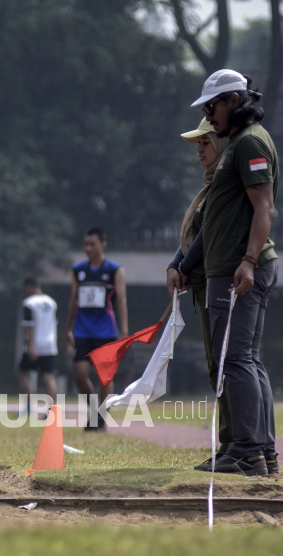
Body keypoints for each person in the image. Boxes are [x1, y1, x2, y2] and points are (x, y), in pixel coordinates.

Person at [190, 70, 279, 476]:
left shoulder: (250, 142)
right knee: (246, 360)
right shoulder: (238, 144)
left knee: (236, 361)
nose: (209, 116)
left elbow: (265, 207)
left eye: (212, 107)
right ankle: (258, 450)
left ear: (234, 100)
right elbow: (217, 218)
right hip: (230, 267)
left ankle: (246, 452)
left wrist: (247, 260)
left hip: (239, 269)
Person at [166, 118, 231, 469]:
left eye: (205, 143)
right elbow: (194, 232)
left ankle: (239, 446)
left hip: (219, 279)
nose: (199, 150)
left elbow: (207, 235)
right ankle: (233, 445)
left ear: (220, 143)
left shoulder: (224, 181)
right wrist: (175, 264)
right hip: (205, 281)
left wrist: (184, 267)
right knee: (217, 366)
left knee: (228, 366)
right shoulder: (209, 185)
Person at [65, 228, 128, 431]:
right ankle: (94, 411)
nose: (88, 248)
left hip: (106, 331)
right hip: (82, 331)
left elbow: (121, 300)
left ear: (103, 245)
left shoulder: (114, 270)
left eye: (92, 244)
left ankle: (100, 418)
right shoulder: (78, 270)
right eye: (85, 244)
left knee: (105, 377)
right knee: (79, 374)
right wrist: (68, 329)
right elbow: (73, 300)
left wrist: (123, 331)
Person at [17, 278, 58, 416]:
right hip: (50, 344)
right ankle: (52, 410)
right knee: (48, 376)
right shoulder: (52, 302)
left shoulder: (29, 303)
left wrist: (31, 347)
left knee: (23, 372)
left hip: (35, 344)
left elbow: (30, 326)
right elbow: (54, 323)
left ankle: (28, 407)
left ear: (29, 287)